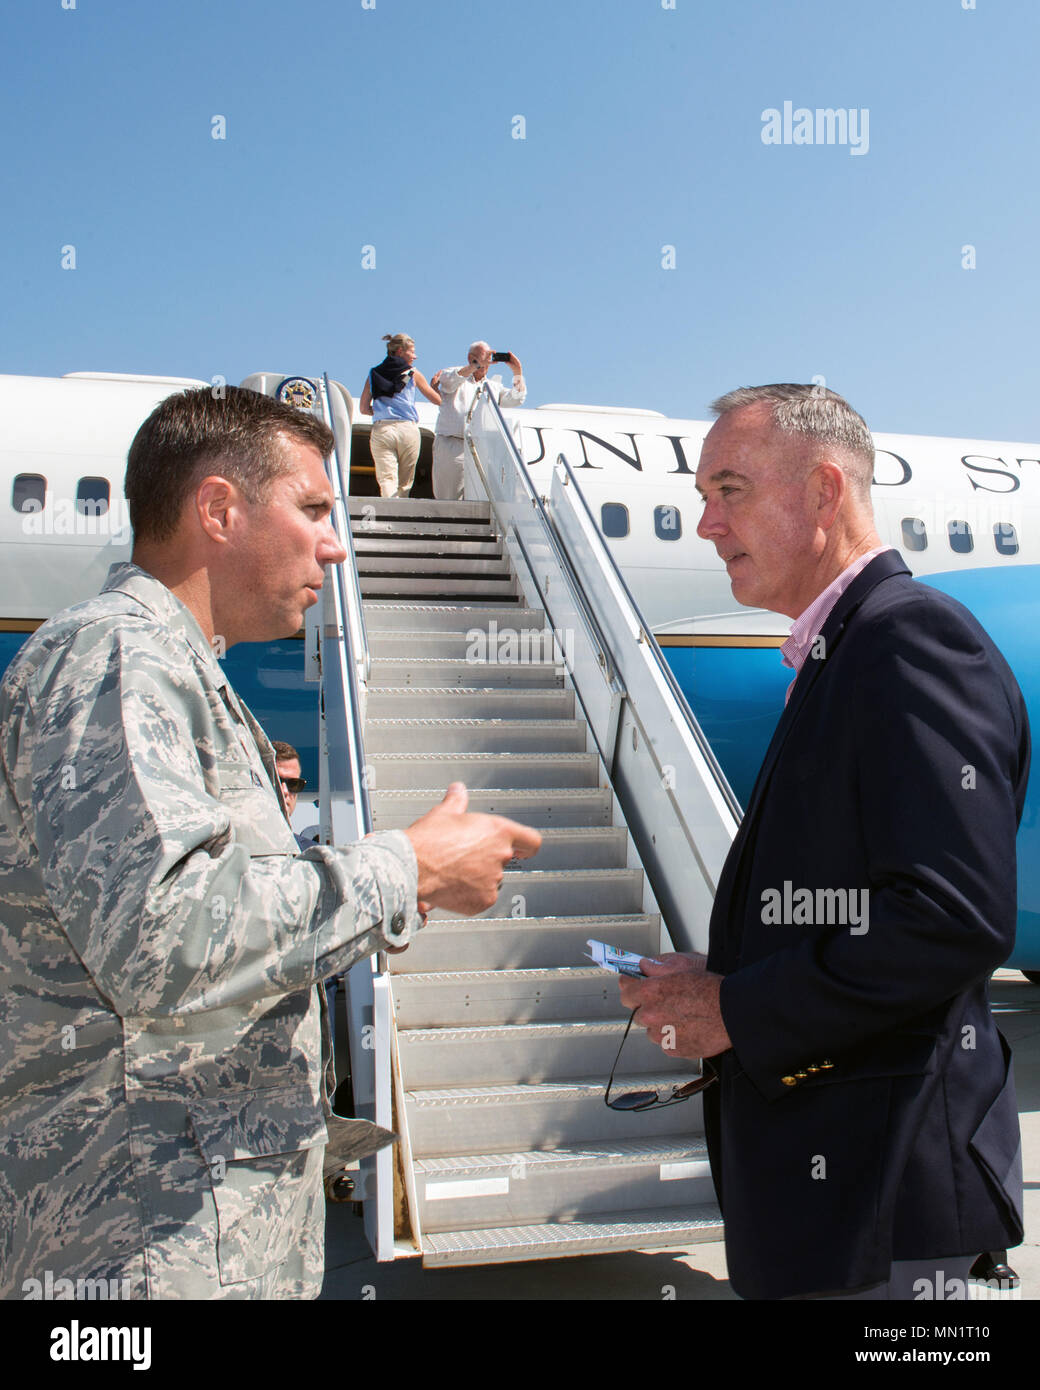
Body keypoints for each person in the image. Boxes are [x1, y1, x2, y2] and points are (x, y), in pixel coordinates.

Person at [0, 385, 541, 1300]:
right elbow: (161, 940)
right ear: (219, 509)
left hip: (199, 1235)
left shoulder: (183, 673)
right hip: (140, 1251)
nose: (337, 544)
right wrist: (405, 868)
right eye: (317, 509)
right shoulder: (120, 658)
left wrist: (407, 884)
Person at [619, 383, 1028, 1301]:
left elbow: (951, 918)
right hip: (839, 1207)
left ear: (822, 493)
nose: (705, 526)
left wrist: (740, 1009)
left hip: (882, 1212)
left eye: (729, 490)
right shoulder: (845, 650)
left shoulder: (909, 639)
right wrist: (721, 977)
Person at [430, 342, 526, 500]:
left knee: (478, 498)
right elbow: (449, 380)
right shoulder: (454, 375)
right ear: (471, 358)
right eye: (484, 357)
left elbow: (516, 398)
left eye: (490, 357)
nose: (487, 361)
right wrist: (475, 366)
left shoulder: (493, 386)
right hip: (452, 444)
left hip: (480, 448)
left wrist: (517, 372)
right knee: (448, 496)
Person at [358, 332, 440, 498]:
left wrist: (380, 411)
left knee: (387, 479)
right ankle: (398, 516)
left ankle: (388, 511)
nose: (415, 356)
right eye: (412, 352)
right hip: (407, 430)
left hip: (383, 430)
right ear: (400, 351)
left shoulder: (373, 374)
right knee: (404, 483)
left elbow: (363, 408)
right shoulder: (412, 373)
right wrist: (435, 386)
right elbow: (437, 400)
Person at [271, 738, 313, 850]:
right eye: (277, 782)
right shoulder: (228, 849)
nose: (285, 791)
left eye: (293, 784)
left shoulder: (310, 855)